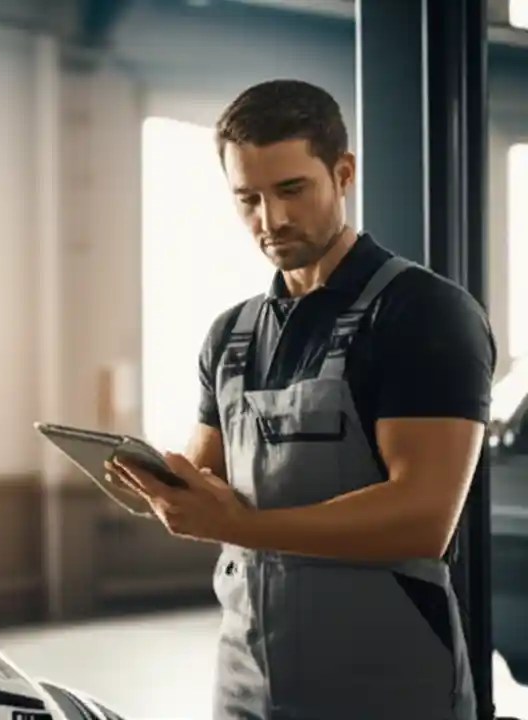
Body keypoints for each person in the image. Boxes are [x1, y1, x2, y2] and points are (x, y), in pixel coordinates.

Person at [106, 79, 495, 719]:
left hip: (385, 682)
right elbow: (210, 483)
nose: (272, 220)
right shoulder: (230, 334)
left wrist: (240, 526)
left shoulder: (423, 313)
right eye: (248, 199)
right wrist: (157, 486)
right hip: (248, 679)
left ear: (342, 174)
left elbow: (423, 517)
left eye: (292, 190)